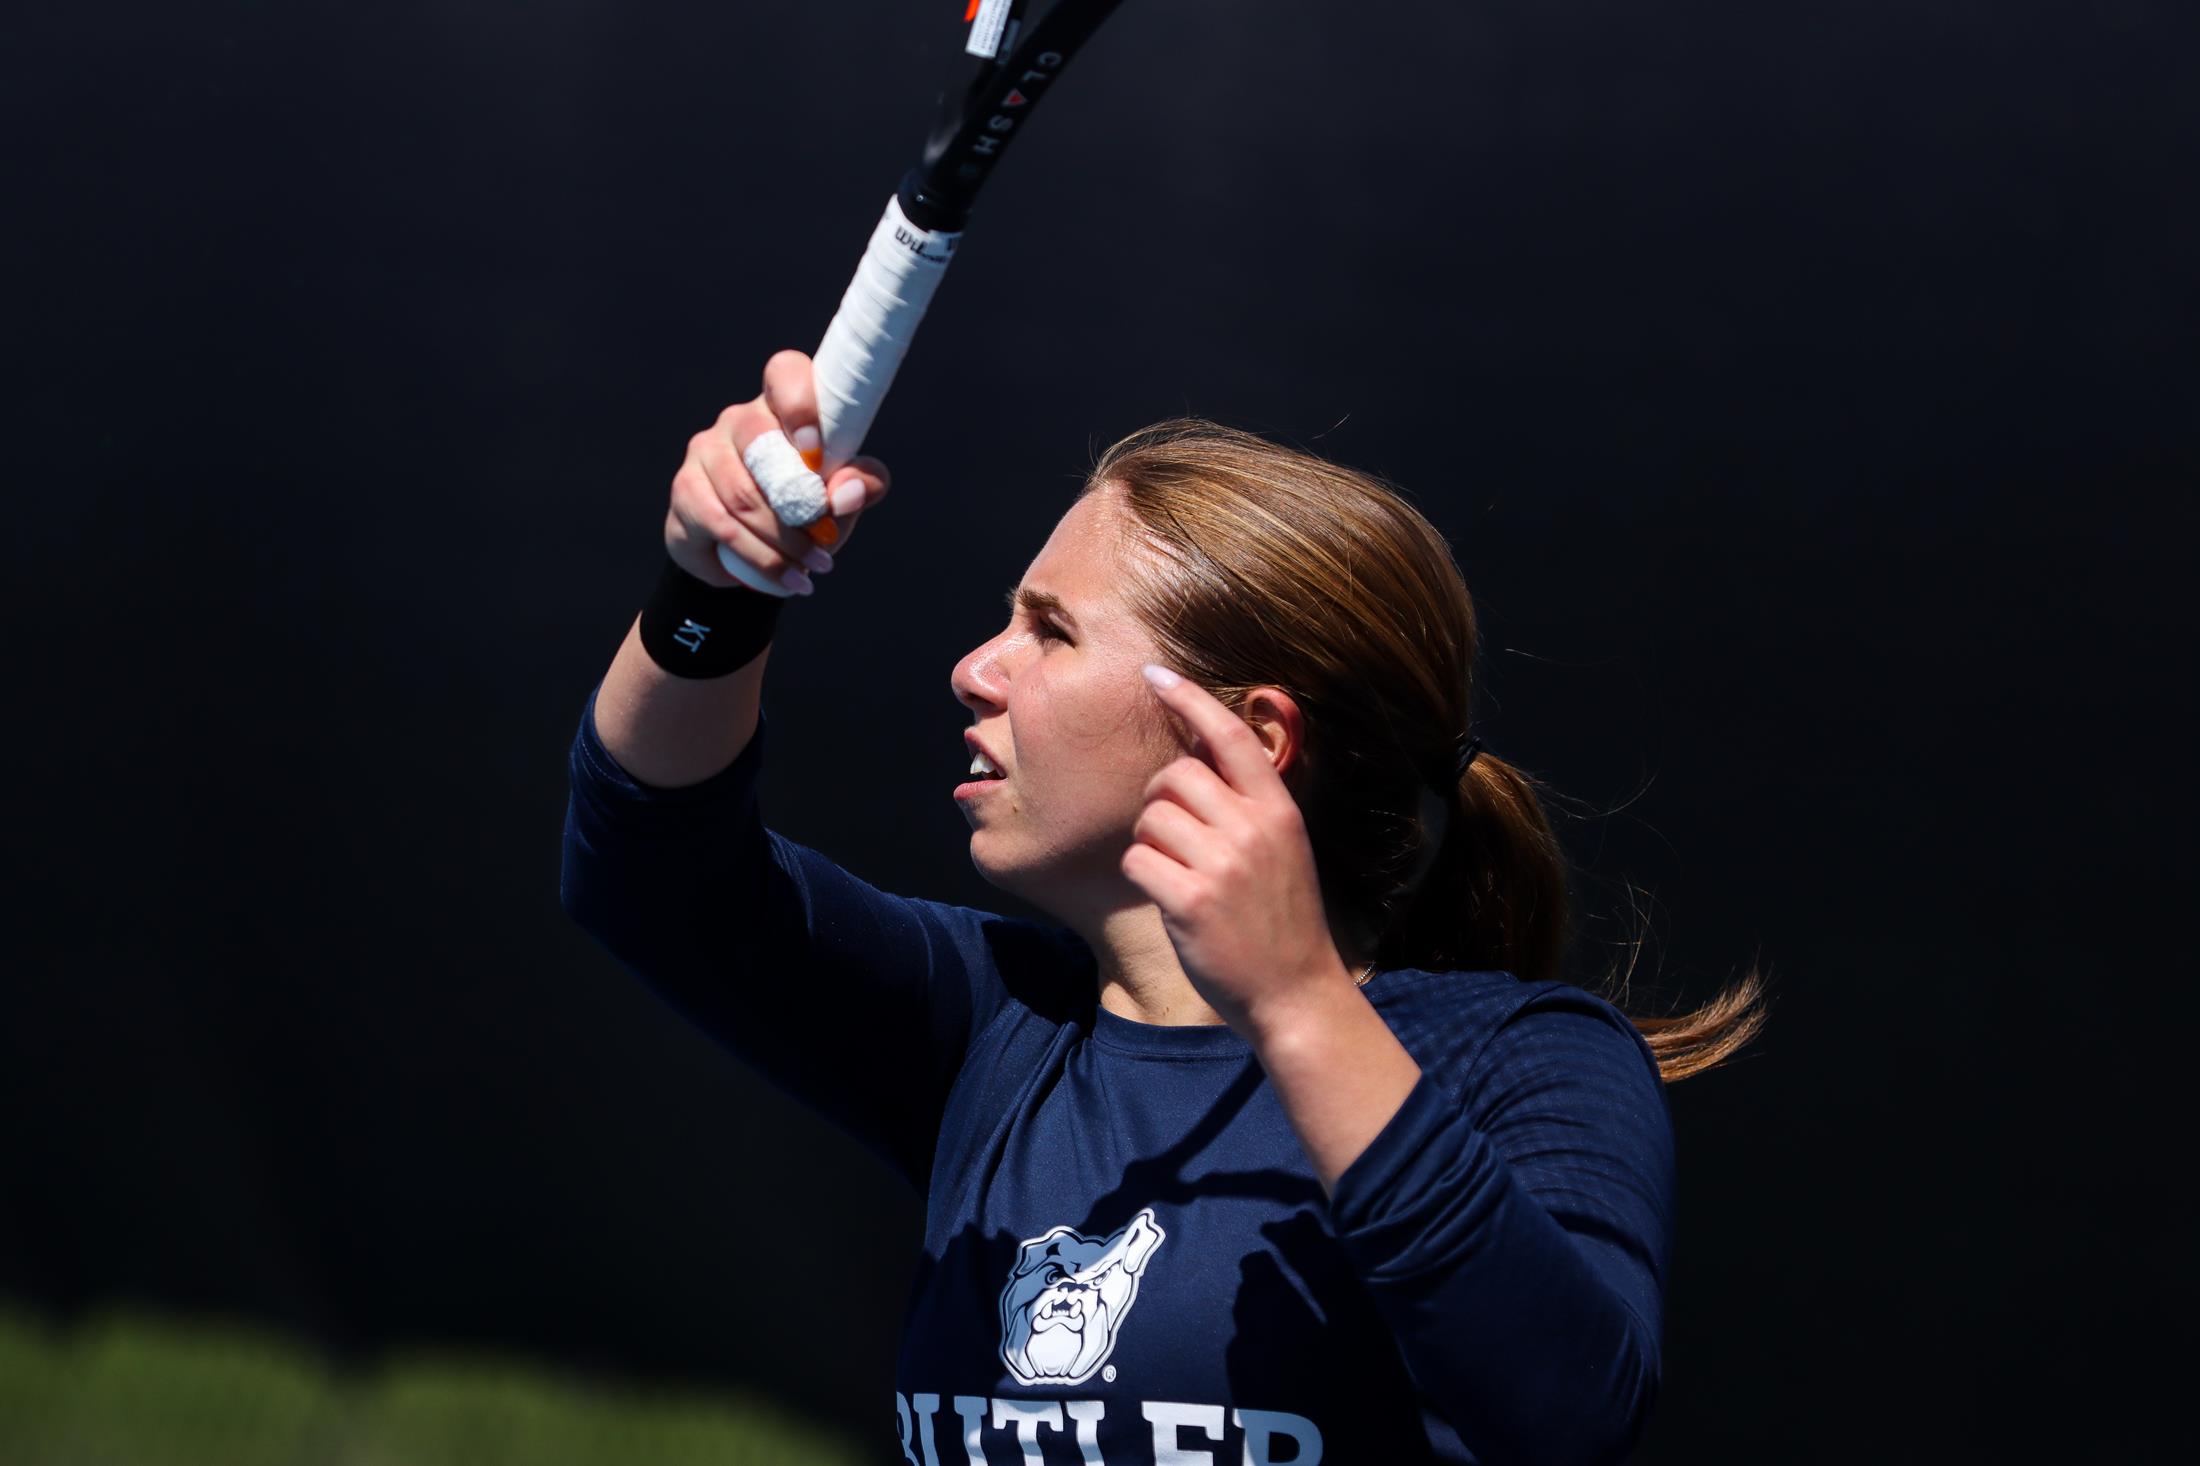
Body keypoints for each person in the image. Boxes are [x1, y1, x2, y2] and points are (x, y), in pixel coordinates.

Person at [560, 350, 1767, 1465]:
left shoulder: (1521, 1059)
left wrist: (1295, 1003)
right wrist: (712, 585)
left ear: (1243, 735)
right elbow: (651, 869)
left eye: (1048, 631)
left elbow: (1569, 1414)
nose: (975, 668)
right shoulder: (999, 1023)